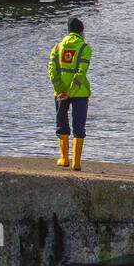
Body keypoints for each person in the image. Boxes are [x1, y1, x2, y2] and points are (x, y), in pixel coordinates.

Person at [48, 16, 91, 171]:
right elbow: (81, 73)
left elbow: (52, 71)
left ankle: (64, 159)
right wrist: (71, 91)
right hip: (80, 92)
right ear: (81, 31)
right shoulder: (85, 48)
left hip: (60, 93)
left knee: (62, 122)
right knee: (79, 124)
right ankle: (76, 162)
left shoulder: (57, 48)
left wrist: (61, 90)